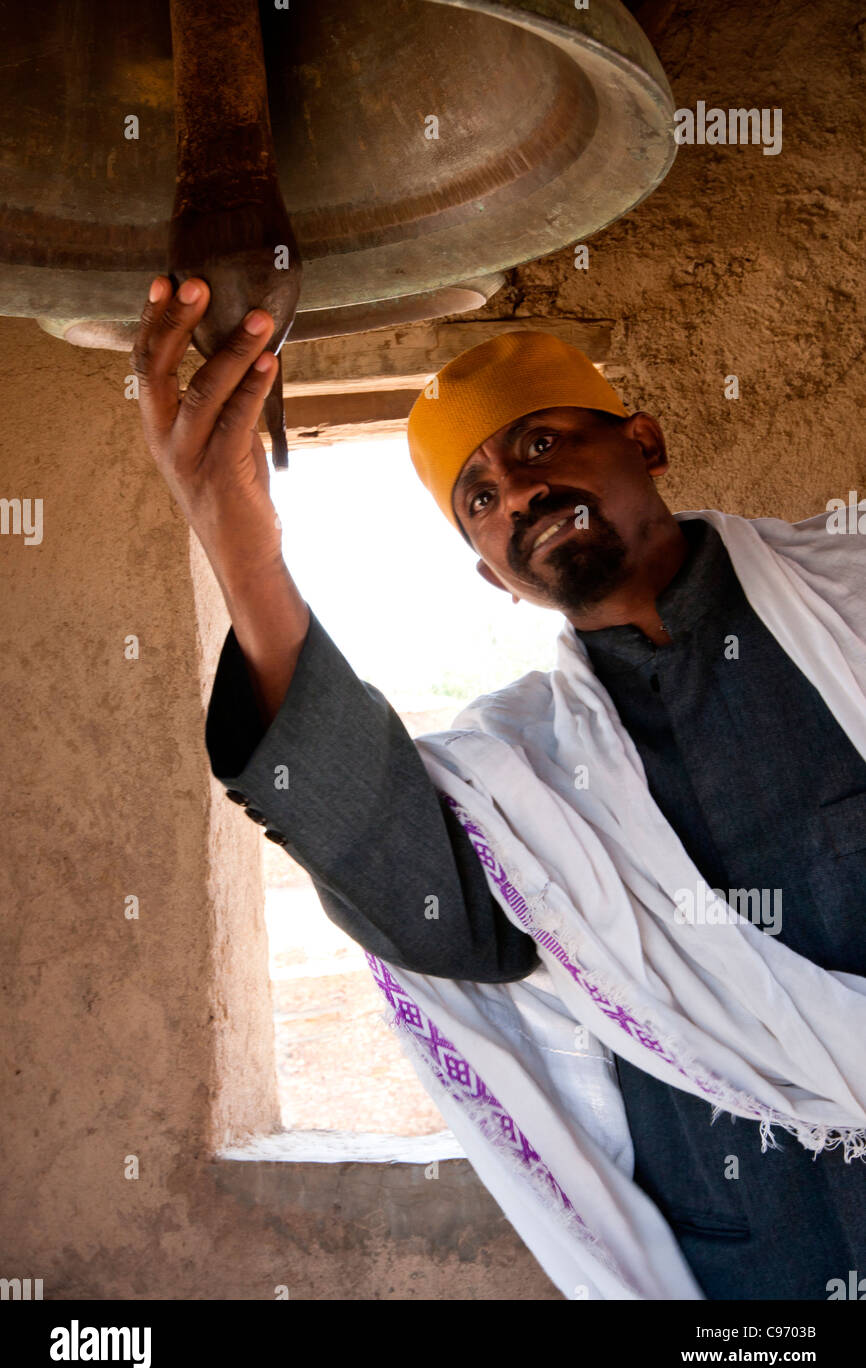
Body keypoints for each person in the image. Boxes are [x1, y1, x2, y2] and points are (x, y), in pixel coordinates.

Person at [133, 276, 866, 1300]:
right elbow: (418, 898)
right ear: (492, 573)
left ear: (643, 441)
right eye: (477, 498)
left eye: (537, 443)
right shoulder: (514, 773)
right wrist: (241, 540)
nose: (517, 492)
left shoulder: (850, 597)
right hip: (753, 1266)